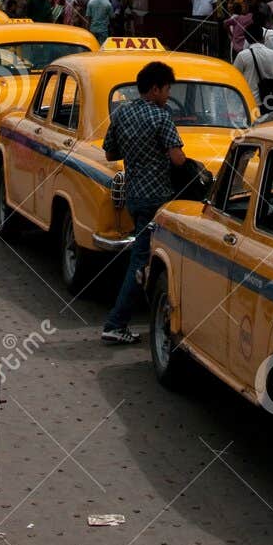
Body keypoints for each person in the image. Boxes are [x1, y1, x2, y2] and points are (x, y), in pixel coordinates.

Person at [100, 60, 187, 345]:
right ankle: (116, 323)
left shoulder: (122, 114)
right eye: (167, 88)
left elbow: (110, 153)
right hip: (158, 198)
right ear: (155, 88)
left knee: (144, 256)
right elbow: (177, 159)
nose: (168, 93)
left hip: (134, 196)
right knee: (142, 261)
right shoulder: (161, 117)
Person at [234, 23, 273, 106]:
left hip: (249, 101)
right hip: (269, 102)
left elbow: (234, 78)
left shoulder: (242, 56)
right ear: (263, 37)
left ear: (247, 40)